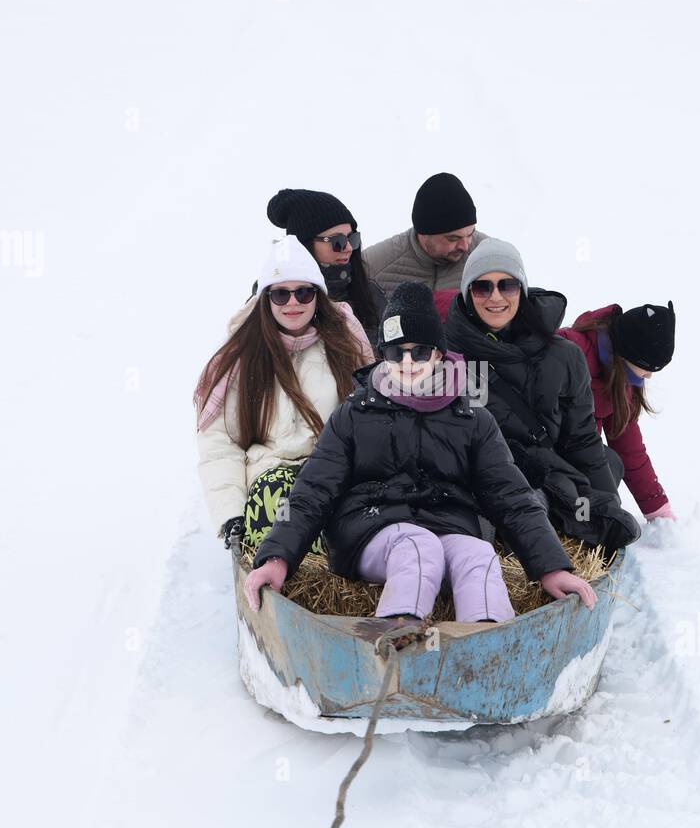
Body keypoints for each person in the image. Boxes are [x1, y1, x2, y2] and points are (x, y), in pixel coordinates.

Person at [242, 282, 597, 622]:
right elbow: (313, 490)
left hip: (448, 525)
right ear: (383, 354)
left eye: (420, 352)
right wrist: (278, 558)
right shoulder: (355, 414)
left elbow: (511, 496)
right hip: (371, 528)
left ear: (439, 354)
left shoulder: (471, 418)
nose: (407, 362)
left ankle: (485, 646)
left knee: (479, 554)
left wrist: (552, 567)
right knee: (417, 546)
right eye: (396, 351)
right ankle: (398, 637)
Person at [445, 239, 641, 553]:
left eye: (507, 285)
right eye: (482, 287)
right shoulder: (448, 358)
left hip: (551, 474)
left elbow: (581, 440)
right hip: (484, 484)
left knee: (607, 467)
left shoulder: (563, 356)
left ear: (521, 290)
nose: (495, 297)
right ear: (468, 294)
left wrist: (605, 507)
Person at [195, 236, 373, 552]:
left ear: (318, 296)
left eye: (303, 293)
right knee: (281, 508)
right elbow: (220, 445)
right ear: (266, 299)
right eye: (281, 294)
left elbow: (372, 418)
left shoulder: (344, 344)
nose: (293, 303)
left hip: (332, 471)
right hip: (270, 479)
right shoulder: (240, 358)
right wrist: (231, 513)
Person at [558, 302, 676, 521]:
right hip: (541, 461)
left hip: (578, 463)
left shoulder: (619, 376)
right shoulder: (569, 353)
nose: (649, 376)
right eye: (648, 367)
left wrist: (659, 510)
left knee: (610, 462)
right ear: (631, 353)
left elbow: (629, 447)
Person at [266, 187, 386, 343]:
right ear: (305, 244)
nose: (348, 248)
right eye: (338, 242)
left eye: (352, 238)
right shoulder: (273, 293)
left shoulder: (368, 293)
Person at [362, 172, 491, 301]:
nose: (465, 245)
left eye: (470, 234)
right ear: (423, 233)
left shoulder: (490, 256)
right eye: (453, 238)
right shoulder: (372, 266)